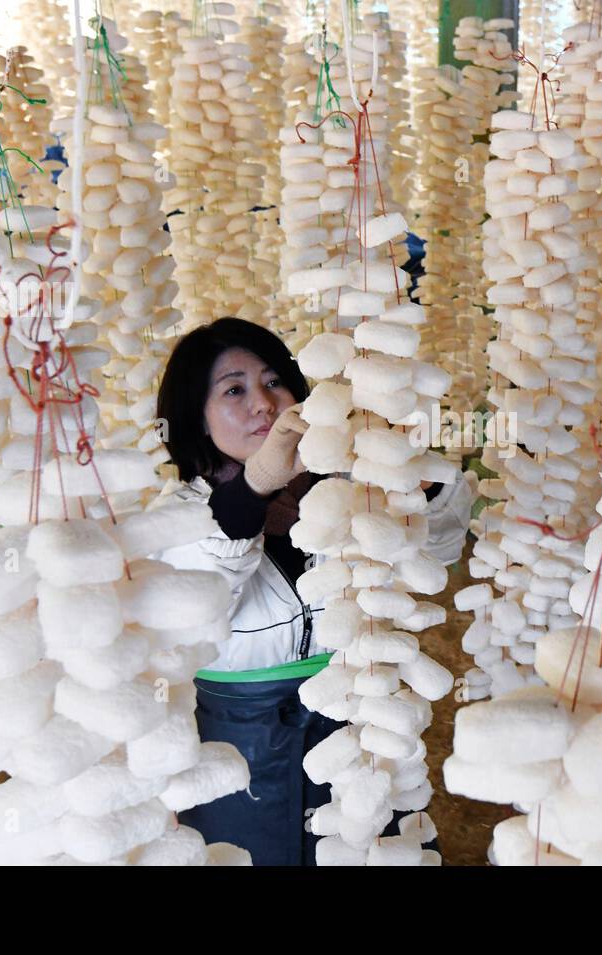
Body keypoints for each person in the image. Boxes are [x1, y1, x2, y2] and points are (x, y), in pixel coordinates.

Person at [153, 318, 475, 865]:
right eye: (234, 390)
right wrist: (255, 485)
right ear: (196, 418)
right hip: (241, 749)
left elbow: (438, 550)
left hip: (359, 728)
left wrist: (423, 478)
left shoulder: (351, 494)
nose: (263, 403)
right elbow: (201, 597)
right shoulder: (179, 516)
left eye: (275, 382)